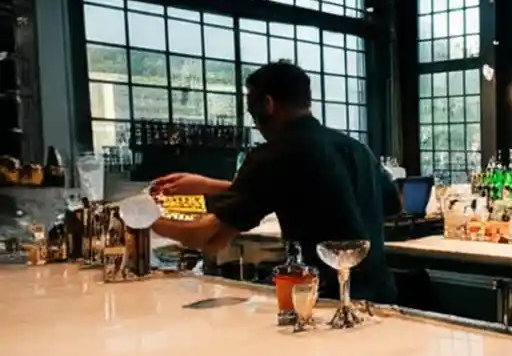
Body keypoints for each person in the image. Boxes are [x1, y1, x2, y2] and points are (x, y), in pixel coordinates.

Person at [151, 61, 401, 304]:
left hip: (321, 300)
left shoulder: (275, 154)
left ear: (268, 104)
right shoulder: (355, 148)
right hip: (380, 296)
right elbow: (390, 203)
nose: (255, 123)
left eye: (251, 112)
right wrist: (208, 185)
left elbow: (206, 237)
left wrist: (144, 219)